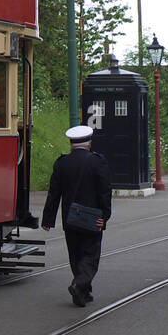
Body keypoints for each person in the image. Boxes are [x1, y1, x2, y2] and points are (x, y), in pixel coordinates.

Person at [41, 124, 113, 307]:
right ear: (89, 143)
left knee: (76, 256)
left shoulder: (61, 163)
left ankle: (83, 293)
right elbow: (105, 191)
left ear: (71, 143)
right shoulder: (98, 162)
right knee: (90, 256)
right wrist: (105, 216)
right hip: (91, 218)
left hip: (70, 218)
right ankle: (79, 284)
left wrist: (48, 219)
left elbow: (54, 193)